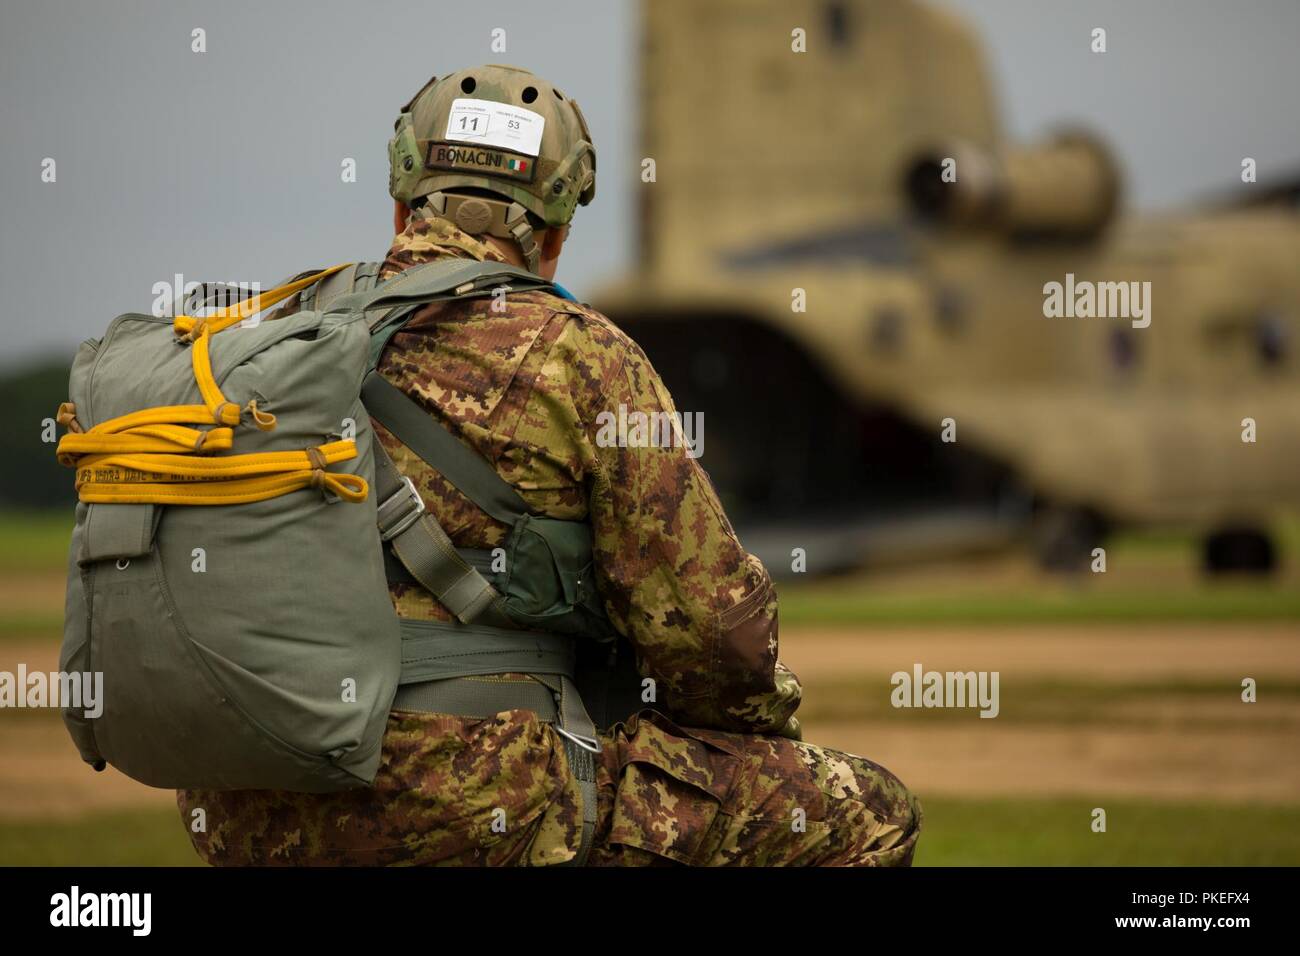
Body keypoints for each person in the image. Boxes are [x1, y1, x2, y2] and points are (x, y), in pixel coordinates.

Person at [178, 64, 920, 867]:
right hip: (474, 807)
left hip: (243, 812)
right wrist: (752, 732)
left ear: (399, 204)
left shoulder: (269, 344)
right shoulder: (583, 355)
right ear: (558, 229)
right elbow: (713, 637)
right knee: (867, 812)